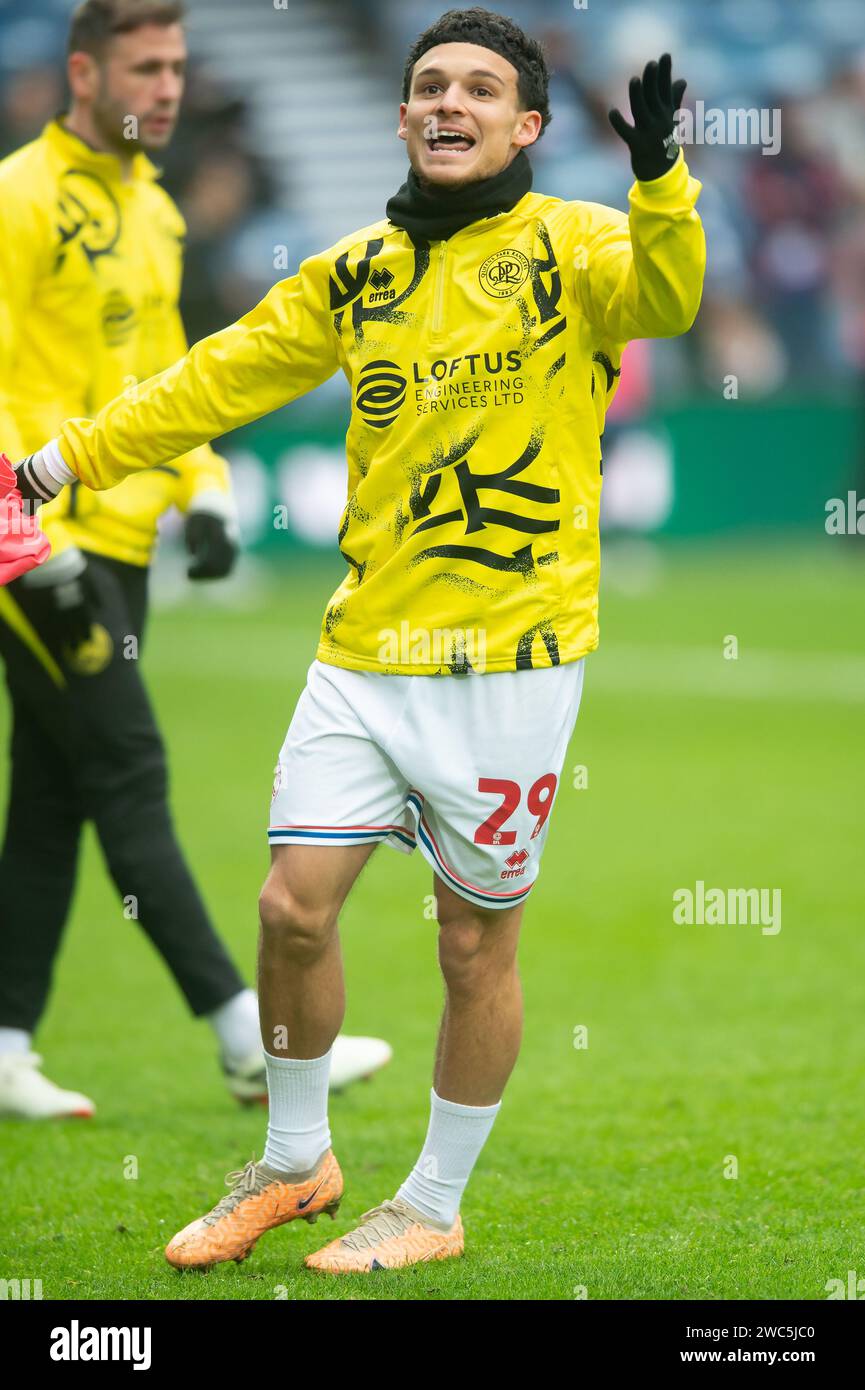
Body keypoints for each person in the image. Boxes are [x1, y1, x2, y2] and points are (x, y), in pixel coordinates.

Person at [10, 7, 704, 1270]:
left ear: (526, 125)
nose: (449, 104)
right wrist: (59, 461)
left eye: (479, 91)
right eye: (428, 86)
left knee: (471, 938)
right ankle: (293, 1160)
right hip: (363, 652)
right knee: (290, 910)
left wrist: (661, 182)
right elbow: (211, 377)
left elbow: (666, 291)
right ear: (399, 117)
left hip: (511, 665)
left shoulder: (580, 244)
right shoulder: (356, 273)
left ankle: (432, 1205)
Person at [0, 0, 390, 1121]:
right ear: (84, 70)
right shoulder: (19, 197)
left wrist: (205, 486)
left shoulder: (153, 207)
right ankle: (244, 1037)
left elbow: (168, 367)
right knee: (127, 769)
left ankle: (6, 1039)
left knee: (52, 791)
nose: (168, 87)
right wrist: (29, 541)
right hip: (36, 540)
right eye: (147, 65)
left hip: (119, 536)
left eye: (177, 65)